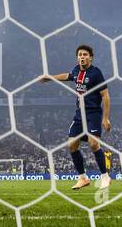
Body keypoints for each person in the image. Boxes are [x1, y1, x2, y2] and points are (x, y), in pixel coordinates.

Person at [40, 44, 111, 190]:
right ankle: (83, 178)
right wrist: (50, 78)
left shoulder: (96, 73)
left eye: (85, 55)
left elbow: (105, 95)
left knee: (93, 144)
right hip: (80, 114)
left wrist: (105, 117)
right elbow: (67, 76)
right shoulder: (76, 70)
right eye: (79, 55)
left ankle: (105, 176)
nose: (82, 57)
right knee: (72, 145)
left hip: (94, 114)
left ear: (91, 57)